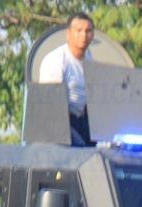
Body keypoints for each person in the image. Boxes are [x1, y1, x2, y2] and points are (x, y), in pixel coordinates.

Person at [38, 13, 96, 146]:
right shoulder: (57, 59)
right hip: (61, 121)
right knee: (80, 149)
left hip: (82, 120)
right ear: (68, 34)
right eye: (79, 31)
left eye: (88, 31)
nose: (84, 35)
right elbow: (51, 105)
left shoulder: (89, 56)